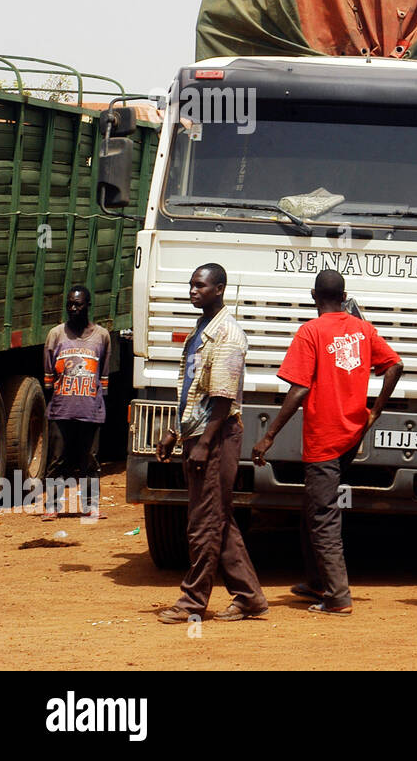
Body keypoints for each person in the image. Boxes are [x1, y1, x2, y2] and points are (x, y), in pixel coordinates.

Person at [252, 270, 404, 615]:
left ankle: (337, 597)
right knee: (314, 506)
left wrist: (270, 435)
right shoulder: (363, 329)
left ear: (312, 295)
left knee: (323, 515)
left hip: (324, 438)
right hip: (352, 433)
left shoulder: (311, 331)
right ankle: (316, 582)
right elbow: (395, 365)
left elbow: (300, 388)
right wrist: (374, 413)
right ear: (344, 294)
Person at [155, 264, 268, 624]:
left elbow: (222, 399)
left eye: (200, 285)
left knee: (204, 522)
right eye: (190, 285)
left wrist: (204, 443)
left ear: (219, 289)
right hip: (199, 433)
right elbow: (195, 393)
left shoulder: (228, 335)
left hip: (217, 437)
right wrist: (176, 431)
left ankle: (192, 602)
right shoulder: (201, 330)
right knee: (218, 518)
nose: (192, 291)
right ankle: (249, 597)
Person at [41, 286, 110, 520]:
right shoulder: (56, 335)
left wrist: (96, 403)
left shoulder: (102, 336)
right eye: (69, 304)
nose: (73, 308)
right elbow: (48, 376)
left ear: (88, 305)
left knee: (90, 461)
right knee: (57, 460)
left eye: (78, 304)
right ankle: (52, 505)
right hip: (61, 410)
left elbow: (104, 376)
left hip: (91, 411)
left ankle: (91, 506)